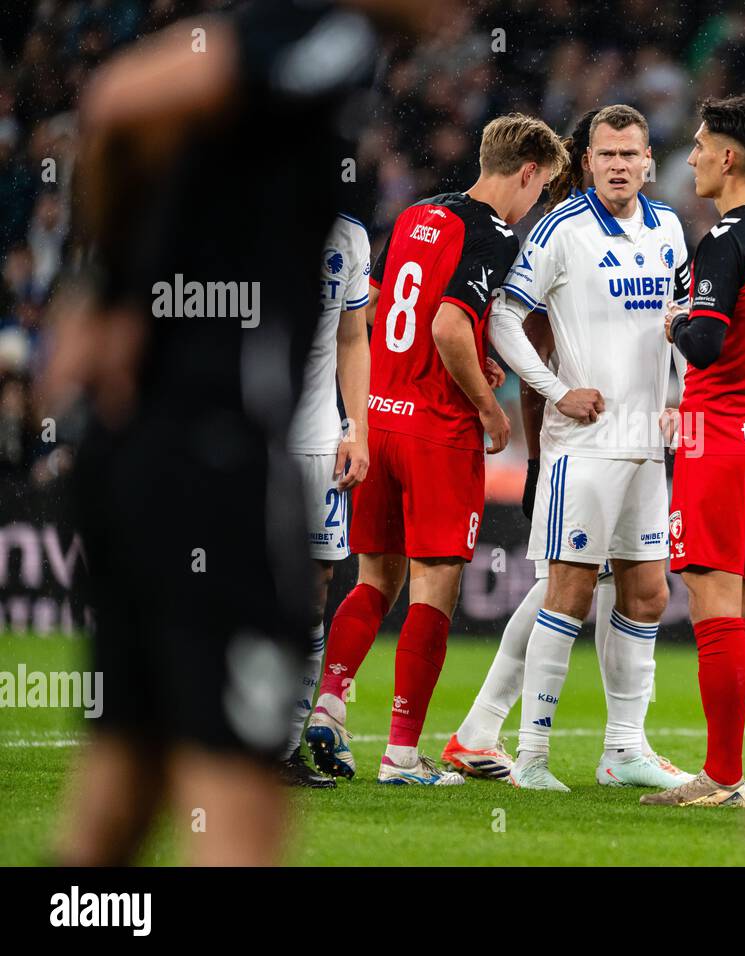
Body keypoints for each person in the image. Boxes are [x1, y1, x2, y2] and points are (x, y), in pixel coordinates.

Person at [46, 0, 438, 866]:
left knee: (124, 786)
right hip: (218, 444)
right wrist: (106, 290)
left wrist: (110, 289)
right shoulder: (319, 38)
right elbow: (121, 96)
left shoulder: (322, 69)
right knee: (241, 812)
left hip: (153, 441)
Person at [306, 114, 567, 786]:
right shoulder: (492, 233)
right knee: (434, 588)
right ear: (529, 172)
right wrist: (487, 405)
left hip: (381, 418)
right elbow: (450, 324)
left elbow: (391, 311)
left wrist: (470, 360)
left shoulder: (420, 213)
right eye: (538, 193)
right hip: (436, 432)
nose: (533, 206)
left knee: (374, 581)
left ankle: (330, 704)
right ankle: (400, 754)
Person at [444, 109, 689, 785]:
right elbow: (502, 316)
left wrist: (684, 397)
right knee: (568, 595)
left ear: (648, 160)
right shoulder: (561, 228)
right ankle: (531, 757)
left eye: (630, 153)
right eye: (606, 153)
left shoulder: (669, 226)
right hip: (582, 446)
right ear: (586, 161)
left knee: (645, 596)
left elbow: (686, 323)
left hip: (646, 444)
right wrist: (557, 391)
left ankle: (624, 752)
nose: (618, 164)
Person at [643, 95, 745, 808]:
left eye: (702, 144)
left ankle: (719, 774)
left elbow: (707, 343)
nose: (692, 157)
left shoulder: (726, 240)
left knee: (714, 609)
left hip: (721, 441)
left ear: (730, 158)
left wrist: (678, 322)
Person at [279, 210, 372, 788]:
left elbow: (351, 336)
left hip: (318, 441)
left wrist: (356, 428)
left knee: (312, 591)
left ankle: (281, 747)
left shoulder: (347, 236)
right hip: (244, 442)